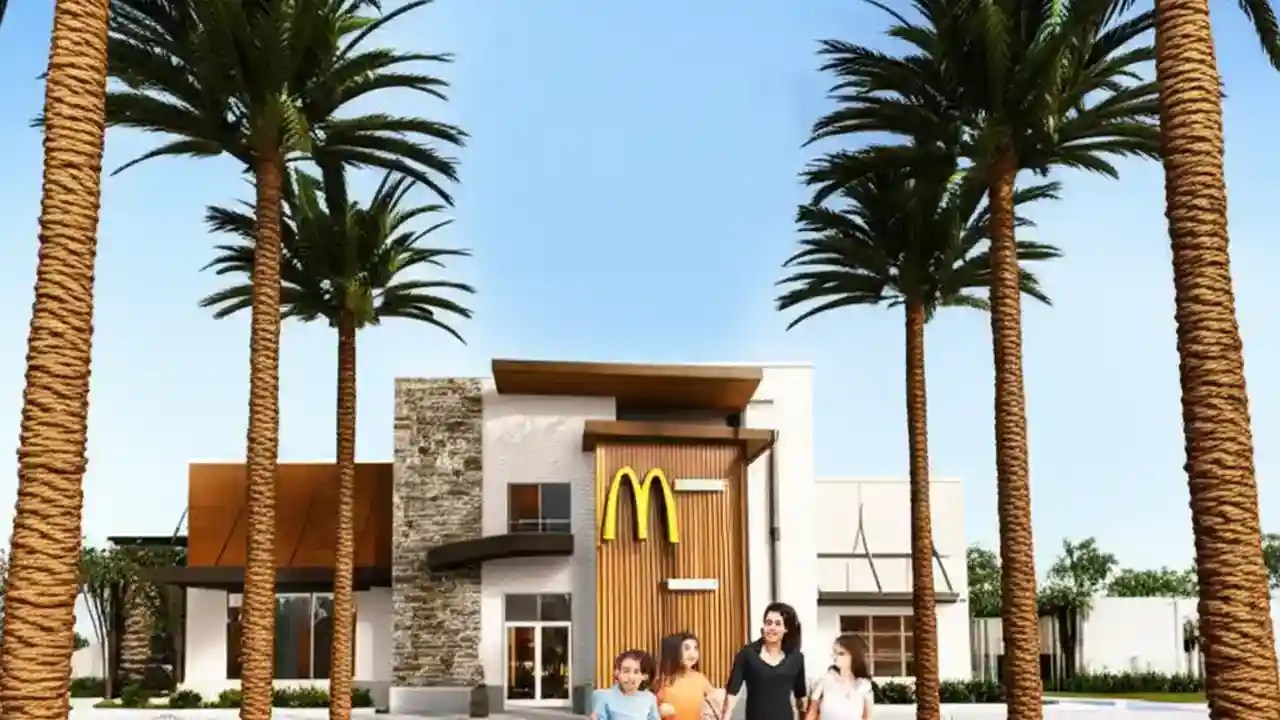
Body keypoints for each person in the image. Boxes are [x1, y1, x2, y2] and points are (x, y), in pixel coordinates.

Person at [722, 602, 808, 720]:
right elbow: (732, 692)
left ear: (786, 629)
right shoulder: (747, 655)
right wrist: (726, 715)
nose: (771, 628)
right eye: (768, 623)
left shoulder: (796, 658)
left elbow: (801, 698)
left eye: (777, 624)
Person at [804, 634, 873, 720]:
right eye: (834, 652)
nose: (835, 657)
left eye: (841, 653)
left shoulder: (863, 685)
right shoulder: (826, 680)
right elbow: (812, 712)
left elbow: (867, 717)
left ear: (854, 655)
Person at [655, 632, 715, 720]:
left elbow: (715, 704)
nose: (693, 653)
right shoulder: (663, 680)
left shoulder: (700, 678)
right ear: (674, 651)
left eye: (696, 648)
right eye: (687, 648)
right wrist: (660, 711)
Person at [593, 649, 663, 720]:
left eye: (636, 672)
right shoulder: (603, 696)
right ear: (617, 673)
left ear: (645, 676)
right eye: (626, 671)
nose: (630, 677)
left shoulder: (649, 698)